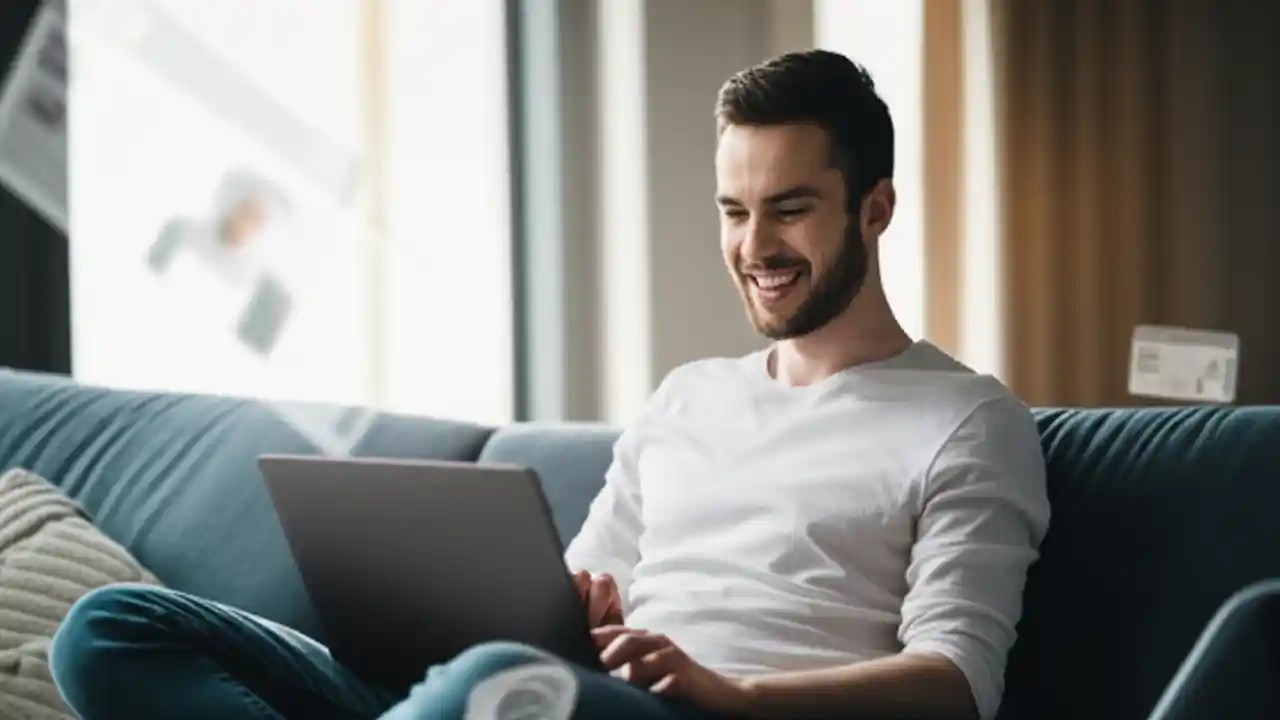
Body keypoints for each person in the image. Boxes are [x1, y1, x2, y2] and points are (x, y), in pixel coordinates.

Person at [47, 49, 1050, 720]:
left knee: (493, 680)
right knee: (111, 629)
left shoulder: (963, 419)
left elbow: (958, 681)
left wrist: (734, 693)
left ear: (873, 209)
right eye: (732, 210)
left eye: (788, 210)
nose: (753, 247)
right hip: (548, 695)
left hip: (695, 715)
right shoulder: (688, 397)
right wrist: (576, 609)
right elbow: (576, 601)